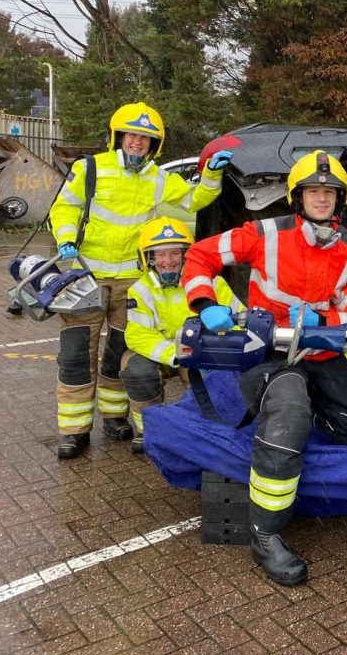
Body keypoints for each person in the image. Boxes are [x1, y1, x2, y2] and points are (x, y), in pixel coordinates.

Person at [181, 150, 347, 587]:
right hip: (269, 354)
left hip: (320, 353)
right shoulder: (264, 233)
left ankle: (303, 409)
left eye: (330, 192)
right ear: (297, 197)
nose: (322, 198)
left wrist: (325, 321)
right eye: (313, 191)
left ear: (341, 199)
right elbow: (200, 255)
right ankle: (265, 533)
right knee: (289, 415)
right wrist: (205, 302)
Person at [49, 102, 232, 460]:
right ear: (118, 137)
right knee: (75, 354)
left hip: (131, 280)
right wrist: (66, 238)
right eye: (132, 135)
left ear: (154, 145)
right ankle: (73, 431)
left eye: (145, 138)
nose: (137, 142)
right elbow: (65, 207)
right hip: (84, 276)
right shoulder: (90, 168)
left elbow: (195, 199)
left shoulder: (159, 178)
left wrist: (211, 174)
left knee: (119, 352)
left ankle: (114, 417)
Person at [120, 217, 241, 454]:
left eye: (175, 253)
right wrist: (176, 353)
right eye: (160, 254)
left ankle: (204, 427)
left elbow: (239, 321)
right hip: (167, 354)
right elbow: (139, 335)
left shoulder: (213, 283)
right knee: (136, 370)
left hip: (202, 350)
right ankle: (150, 430)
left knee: (211, 376)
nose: (168, 261)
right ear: (148, 258)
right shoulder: (140, 290)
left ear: (186, 255)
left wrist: (216, 350)